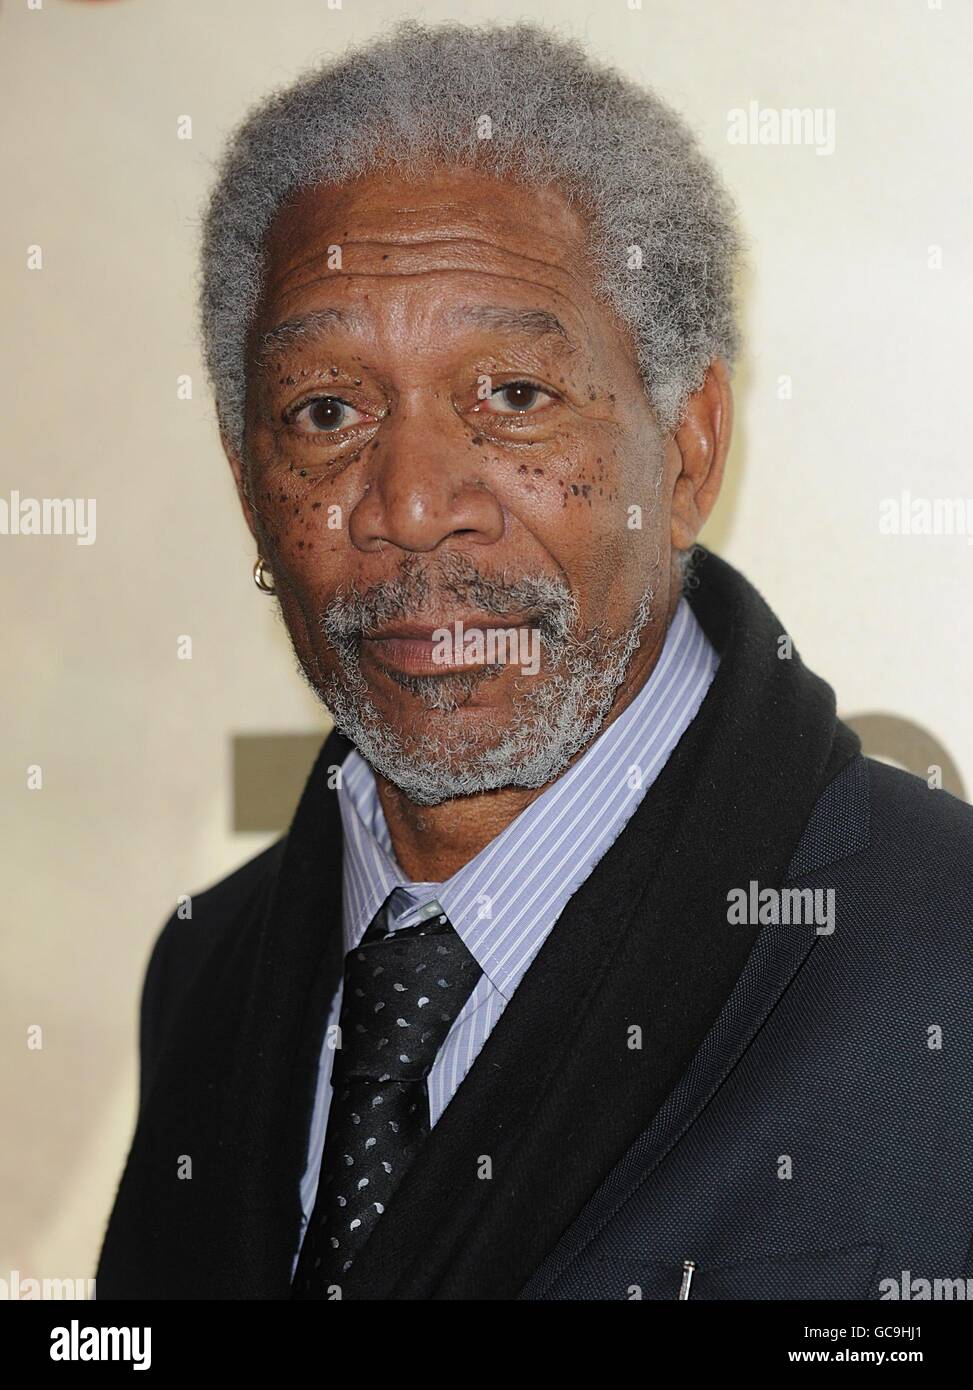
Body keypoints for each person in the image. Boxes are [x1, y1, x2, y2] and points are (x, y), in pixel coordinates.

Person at [96, 21, 973, 1301]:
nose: (409, 502)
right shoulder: (210, 969)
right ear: (248, 485)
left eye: (510, 394)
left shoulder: (941, 953)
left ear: (686, 452)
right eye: (326, 412)